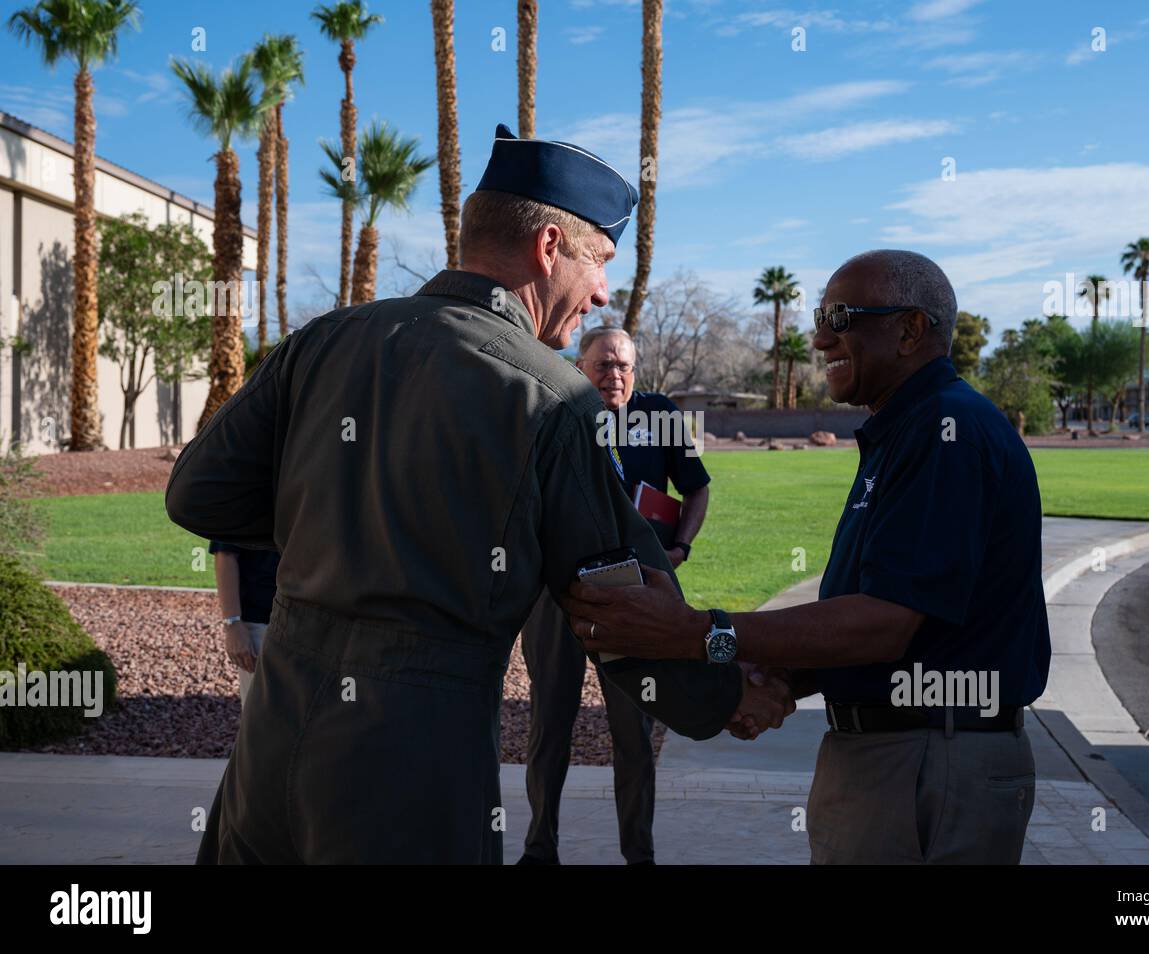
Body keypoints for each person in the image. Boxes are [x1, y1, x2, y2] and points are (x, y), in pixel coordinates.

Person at [166, 123, 791, 864]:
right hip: (412, 770)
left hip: (266, 754)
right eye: (600, 261)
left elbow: (198, 495)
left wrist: (339, 528)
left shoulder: (324, 338)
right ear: (549, 246)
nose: (601, 292)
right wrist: (726, 694)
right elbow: (616, 607)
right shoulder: (555, 399)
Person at [560, 249, 1051, 865]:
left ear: (910, 329)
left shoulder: (945, 429)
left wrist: (698, 634)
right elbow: (902, 625)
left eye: (841, 317)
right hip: (900, 754)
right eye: (822, 316)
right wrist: (786, 677)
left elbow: (886, 622)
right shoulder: (908, 429)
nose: (820, 339)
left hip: (926, 760)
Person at [519, 327, 710, 866]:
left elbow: (697, 486)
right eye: (603, 365)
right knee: (550, 722)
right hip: (560, 592)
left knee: (634, 727)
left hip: (634, 593)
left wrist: (681, 547)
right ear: (579, 367)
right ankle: (539, 848)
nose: (615, 376)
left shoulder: (660, 415)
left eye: (624, 366)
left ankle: (639, 854)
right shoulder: (555, 413)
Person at [210, 540, 280, 704]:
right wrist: (232, 623)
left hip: (313, 625)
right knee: (264, 719)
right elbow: (225, 552)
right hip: (261, 624)